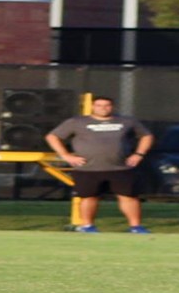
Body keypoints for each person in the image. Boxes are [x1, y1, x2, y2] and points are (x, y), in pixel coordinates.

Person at [46, 95, 154, 234]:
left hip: (120, 167)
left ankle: (136, 227)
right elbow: (53, 136)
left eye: (107, 105)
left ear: (112, 107)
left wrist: (139, 154)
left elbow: (146, 136)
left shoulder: (127, 121)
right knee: (88, 197)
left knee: (129, 197)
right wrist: (65, 155)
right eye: (99, 105)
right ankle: (88, 226)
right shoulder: (76, 122)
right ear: (92, 106)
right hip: (88, 168)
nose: (103, 108)